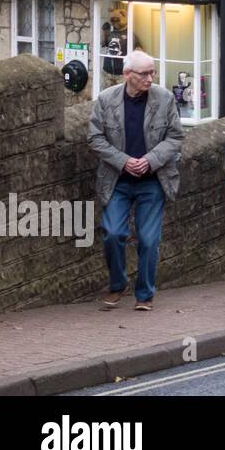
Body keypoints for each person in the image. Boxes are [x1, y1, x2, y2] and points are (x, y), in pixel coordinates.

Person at [87, 50, 184, 312]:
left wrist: (150, 160)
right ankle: (118, 284)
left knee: (149, 239)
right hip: (117, 180)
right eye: (144, 73)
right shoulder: (106, 99)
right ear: (127, 74)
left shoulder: (163, 99)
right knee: (113, 233)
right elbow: (95, 138)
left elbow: (176, 137)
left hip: (153, 181)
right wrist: (123, 160)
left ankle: (145, 294)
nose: (150, 78)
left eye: (152, 72)